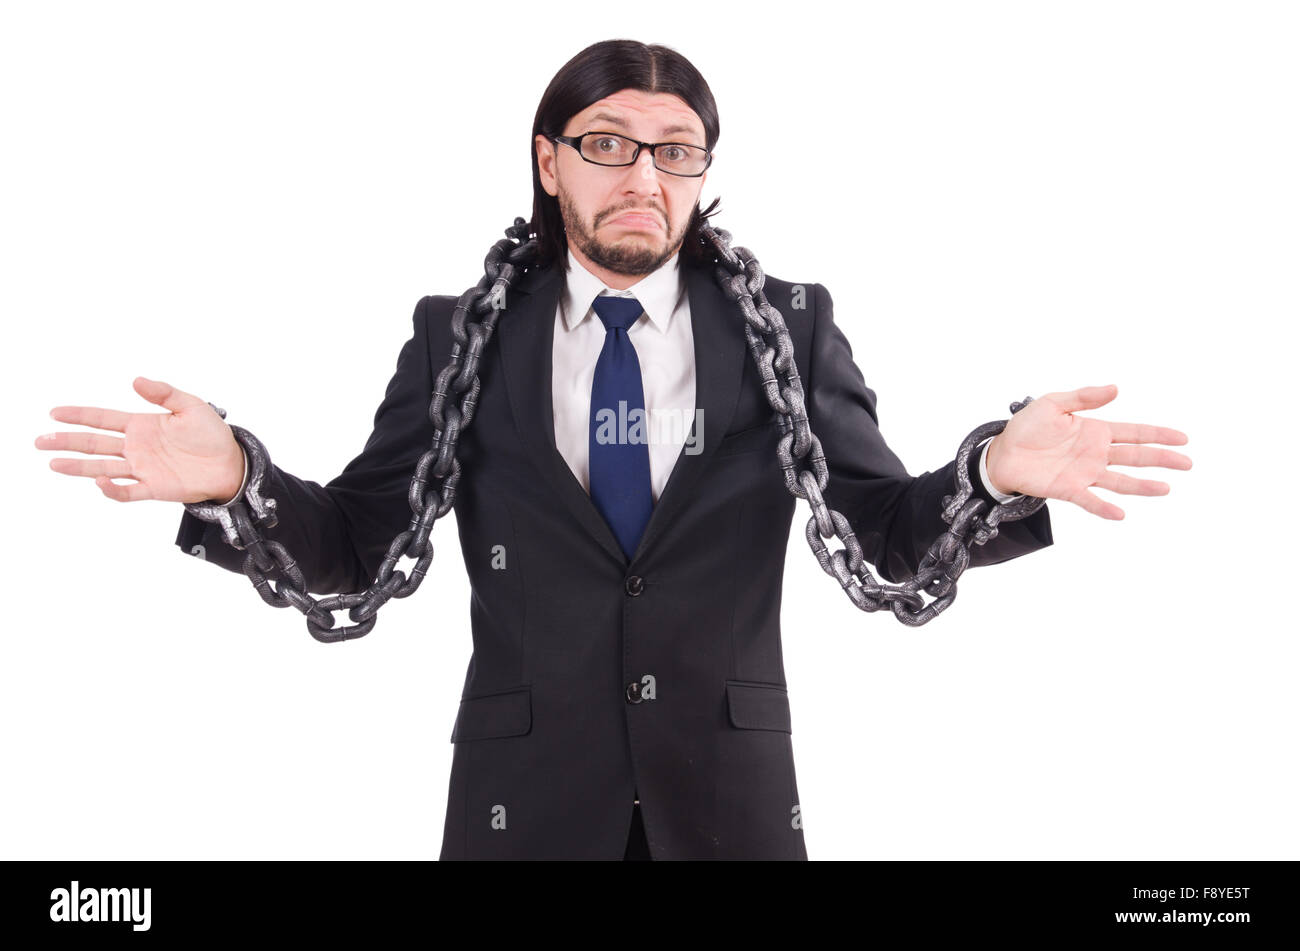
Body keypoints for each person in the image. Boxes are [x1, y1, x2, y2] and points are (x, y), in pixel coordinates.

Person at [35, 39, 1192, 860]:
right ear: (550, 163)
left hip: (728, 802)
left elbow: (880, 536)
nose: (645, 177)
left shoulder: (786, 326)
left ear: (702, 173)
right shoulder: (460, 333)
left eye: (677, 152)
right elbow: (356, 546)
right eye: (609, 144)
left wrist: (991, 471)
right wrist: (239, 480)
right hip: (523, 801)